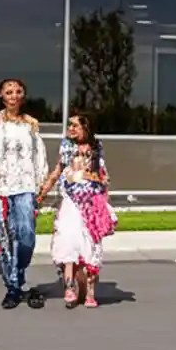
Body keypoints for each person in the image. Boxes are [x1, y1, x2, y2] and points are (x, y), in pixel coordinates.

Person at [0, 78, 50, 310]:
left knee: (26, 235)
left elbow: (40, 156)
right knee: (4, 240)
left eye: (18, 91)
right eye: (9, 92)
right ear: (0, 95)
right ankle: (13, 288)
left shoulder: (31, 125)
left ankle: (19, 272)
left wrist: (40, 186)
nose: (14, 95)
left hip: (25, 186)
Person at [38, 112, 116, 308]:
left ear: (86, 128)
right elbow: (58, 170)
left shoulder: (97, 148)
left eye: (75, 125)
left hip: (91, 203)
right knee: (68, 242)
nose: (70, 128)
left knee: (90, 247)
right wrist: (43, 192)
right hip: (70, 201)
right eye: (69, 125)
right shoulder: (66, 147)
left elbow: (103, 176)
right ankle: (69, 287)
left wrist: (105, 199)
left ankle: (90, 292)